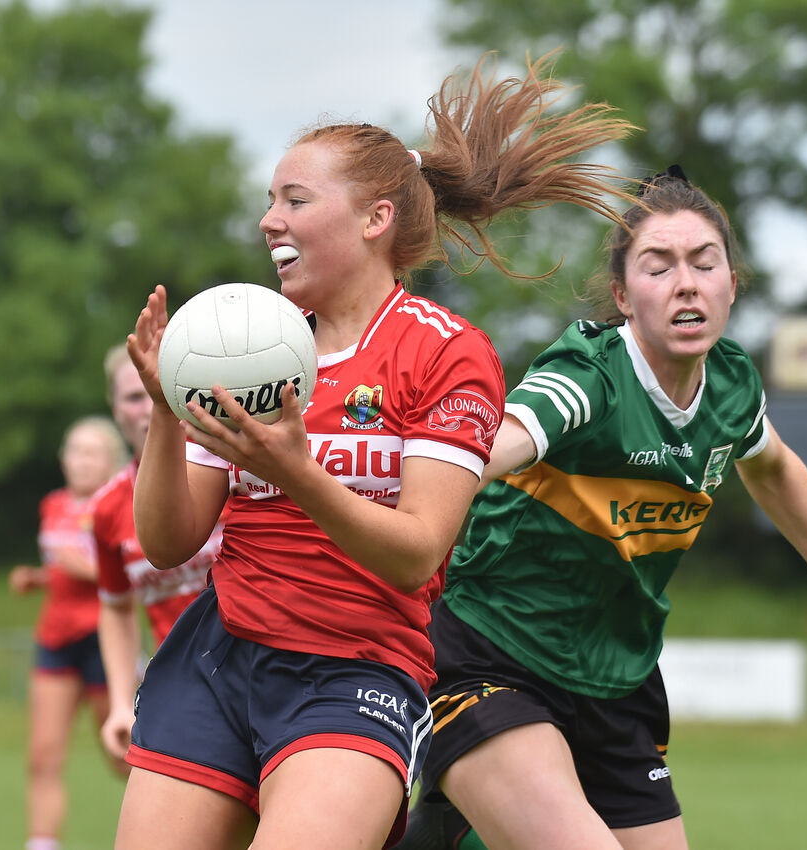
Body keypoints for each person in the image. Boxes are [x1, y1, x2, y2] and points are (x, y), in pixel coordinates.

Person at [114, 53, 639, 850]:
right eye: (269, 202)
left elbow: (417, 553)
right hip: (218, 659)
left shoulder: (445, 352)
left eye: (295, 199)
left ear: (374, 219)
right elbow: (166, 542)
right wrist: (163, 411)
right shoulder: (243, 343)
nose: (269, 220)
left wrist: (296, 470)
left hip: (354, 673)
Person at [399, 165, 807, 850]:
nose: (686, 282)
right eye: (659, 267)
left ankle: (448, 827)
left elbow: (774, 467)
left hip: (618, 680)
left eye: (704, 263)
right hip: (492, 660)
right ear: (623, 297)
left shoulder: (732, 388)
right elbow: (500, 441)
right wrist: (431, 469)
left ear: (731, 286)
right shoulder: (589, 377)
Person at [91, 343, 223, 763]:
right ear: (115, 410)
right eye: (134, 396)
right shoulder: (108, 507)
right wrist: (119, 702)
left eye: (160, 389)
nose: (149, 406)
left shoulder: (233, 469)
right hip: (180, 689)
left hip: (262, 673)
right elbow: (115, 607)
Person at [8, 415, 130, 850]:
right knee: (42, 756)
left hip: (102, 642)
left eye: (90, 452)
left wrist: (89, 570)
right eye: (73, 451)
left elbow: (139, 572)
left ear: (112, 461)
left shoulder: (120, 503)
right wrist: (37, 578)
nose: (79, 461)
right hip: (55, 640)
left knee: (122, 757)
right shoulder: (53, 504)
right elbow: (60, 567)